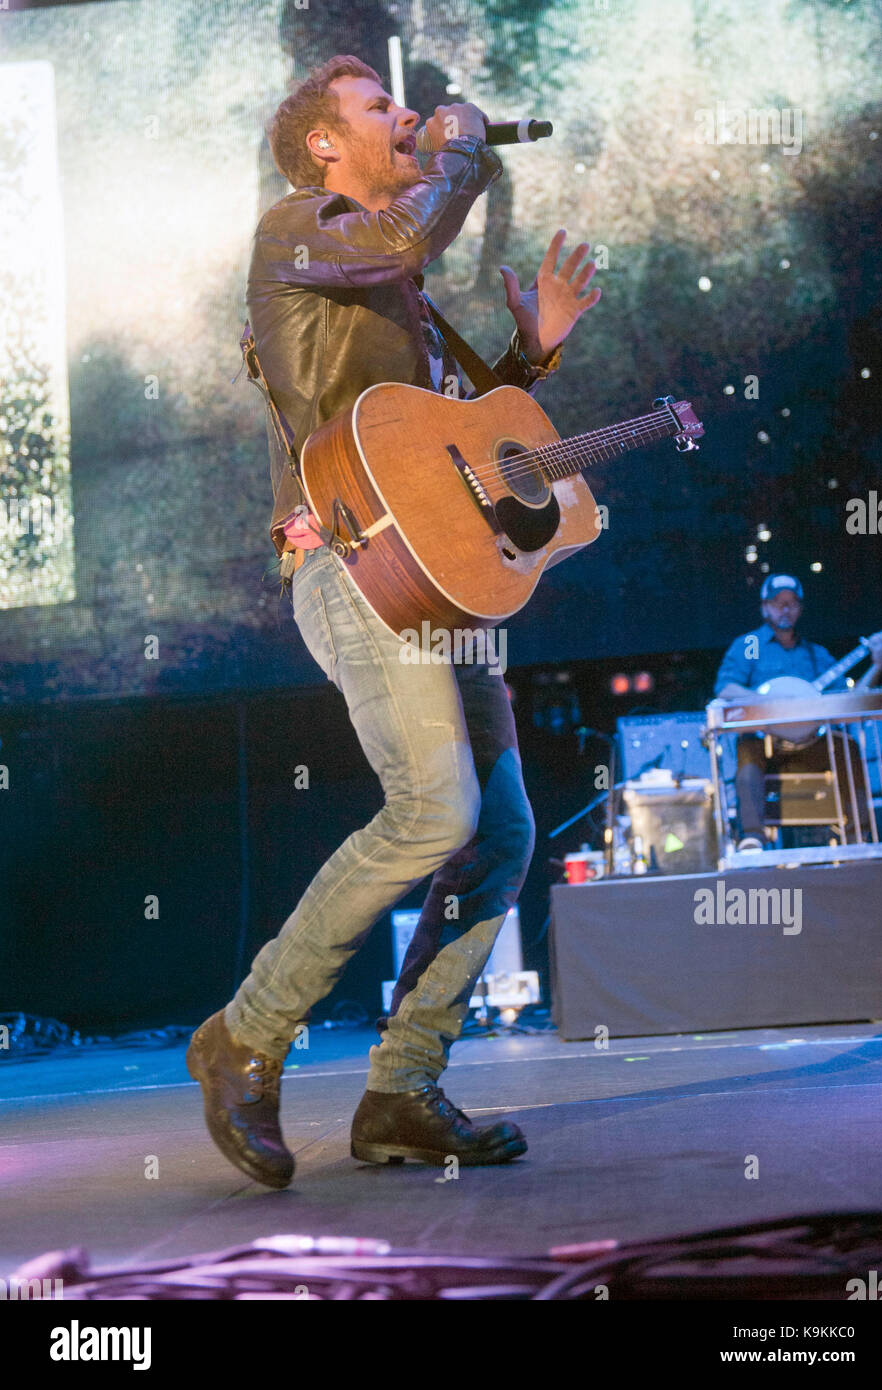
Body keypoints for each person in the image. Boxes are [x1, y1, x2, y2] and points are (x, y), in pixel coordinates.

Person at [186, 55, 601, 1188]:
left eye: (408, 107)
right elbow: (404, 238)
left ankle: (401, 1090)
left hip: (435, 576)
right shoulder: (297, 230)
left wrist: (531, 354)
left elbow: (455, 460)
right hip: (354, 566)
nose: (407, 115)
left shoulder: (391, 292)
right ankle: (246, 1033)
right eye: (382, 107)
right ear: (324, 144)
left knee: (501, 831)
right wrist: (462, 140)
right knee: (435, 810)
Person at [714, 573, 882, 850]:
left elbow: (849, 698)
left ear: (800, 609)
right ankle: (752, 839)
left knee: (848, 749)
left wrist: (877, 664)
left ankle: (858, 837)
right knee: (747, 750)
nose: (785, 609)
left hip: (810, 743)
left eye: (792, 603)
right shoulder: (752, 645)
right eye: (778, 602)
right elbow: (726, 688)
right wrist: (771, 702)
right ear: (764, 607)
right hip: (767, 742)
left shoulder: (814, 653)